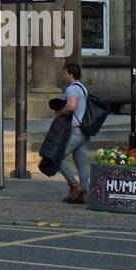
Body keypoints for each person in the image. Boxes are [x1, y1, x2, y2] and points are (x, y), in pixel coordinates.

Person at [56, 62, 90, 204]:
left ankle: (73, 185)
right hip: (84, 130)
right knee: (81, 164)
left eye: (65, 73)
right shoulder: (83, 88)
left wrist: (59, 113)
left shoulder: (71, 89)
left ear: (70, 73)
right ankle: (84, 194)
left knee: (57, 158)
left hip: (75, 130)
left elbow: (71, 106)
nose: (64, 75)